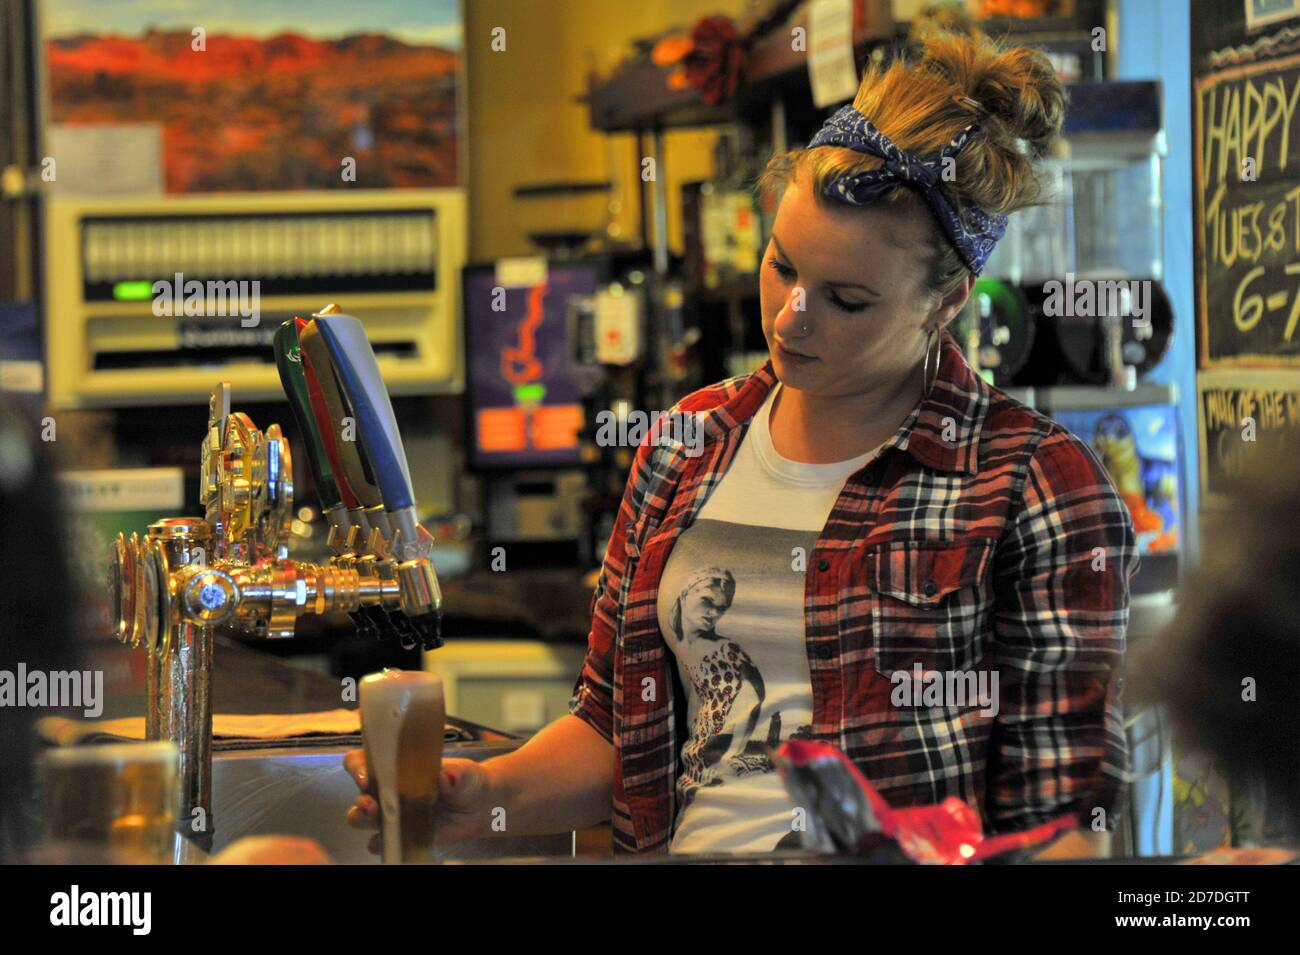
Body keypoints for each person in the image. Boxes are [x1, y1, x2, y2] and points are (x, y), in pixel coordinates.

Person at [346, 27, 1137, 858]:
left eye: (847, 298)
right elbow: (615, 729)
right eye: (782, 264)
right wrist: (488, 792)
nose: (793, 314)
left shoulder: (1037, 485)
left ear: (944, 303)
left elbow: (1064, 825)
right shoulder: (689, 443)